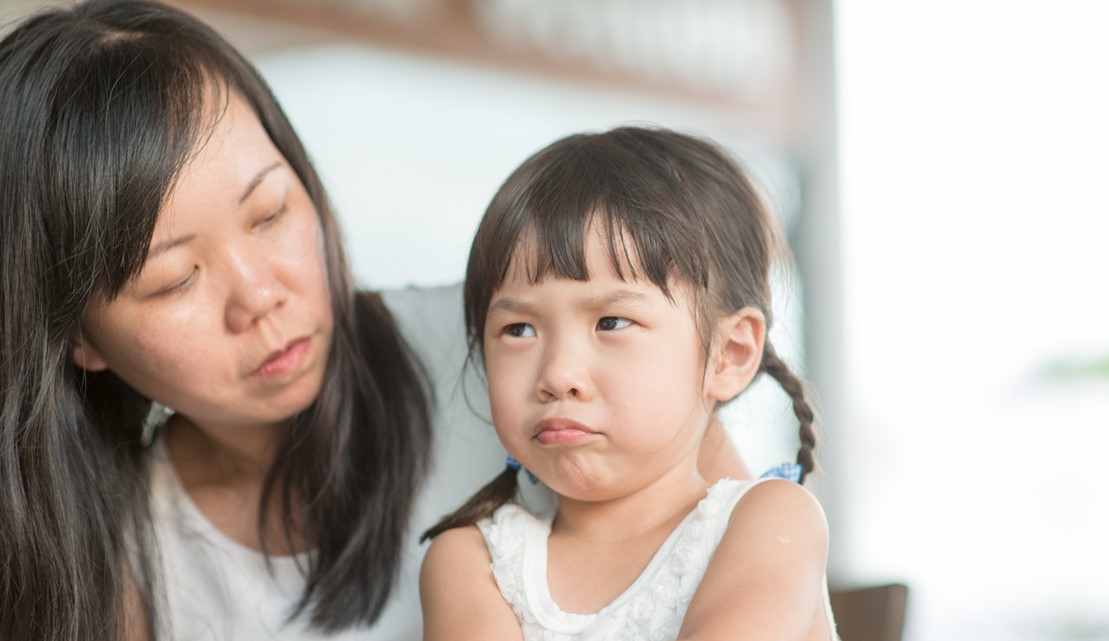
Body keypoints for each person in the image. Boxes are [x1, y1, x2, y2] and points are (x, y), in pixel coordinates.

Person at [0, 2, 749, 640]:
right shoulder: (119, 560)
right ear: (81, 338)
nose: (260, 295)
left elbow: (750, 560)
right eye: (176, 279)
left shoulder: (527, 345)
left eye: (270, 212)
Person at [419, 126, 836, 641]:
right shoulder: (470, 561)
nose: (557, 376)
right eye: (519, 329)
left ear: (728, 354)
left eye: (611, 323)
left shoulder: (770, 522)